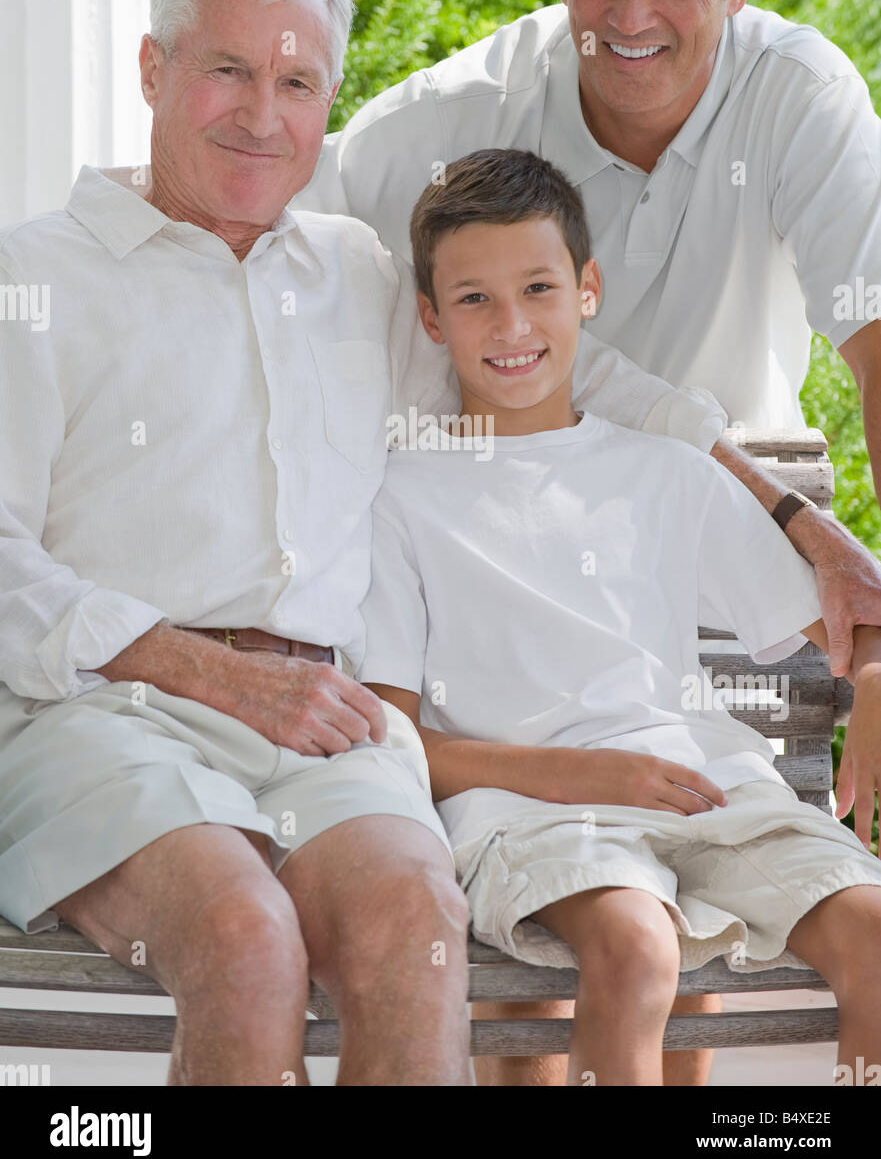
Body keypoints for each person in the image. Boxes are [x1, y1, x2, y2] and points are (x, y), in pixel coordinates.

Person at [0, 0, 742, 1087]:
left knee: (416, 927)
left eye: (297, 82)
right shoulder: (33, 278)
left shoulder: (354, 274)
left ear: (329, 99)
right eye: (228, 71)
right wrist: (209, 671)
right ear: (154, 71)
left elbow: (554, 364)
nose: (262, 114)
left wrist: (800, 521)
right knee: (245, 942)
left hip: (324, 724)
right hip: (103, 711)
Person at [292, 0, 881, 1081]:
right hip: (497, 611)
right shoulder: (452, 122)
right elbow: (270, 228)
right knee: (583, 980)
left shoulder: (796, 99)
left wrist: (864, 632)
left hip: (681, 524)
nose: (631, 11)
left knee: (676, 952)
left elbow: (868, 354)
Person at [357, 147, 881, 1087]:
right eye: (473, 299)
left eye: (538, 288)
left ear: (586, 290)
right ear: (430, 317)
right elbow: (394, 734)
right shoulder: (401, 494)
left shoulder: (665, 473)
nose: (512, 325)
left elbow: (839, 621)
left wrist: (873, 676)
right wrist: (582, 773)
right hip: (524, 810)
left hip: (704, 788)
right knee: (638, 948)